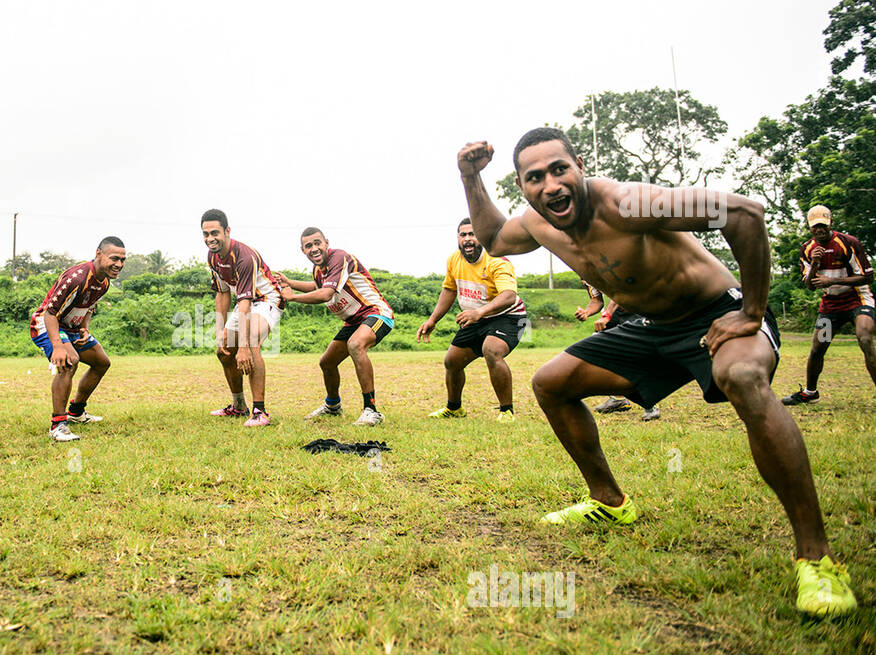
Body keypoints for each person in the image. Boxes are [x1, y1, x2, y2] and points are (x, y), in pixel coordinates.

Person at [456, 127, 855, 616]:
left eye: (560, 169)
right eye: (535, 177)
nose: (551, 185)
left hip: (715, 314)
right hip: (651, 327)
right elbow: (495, 236)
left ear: (579, 166)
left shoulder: (629, 203)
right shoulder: (539, 223)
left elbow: (743, 213)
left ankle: (818, 559)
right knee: (551, 383)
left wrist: (751, 311)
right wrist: (470, 176)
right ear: (522, 187)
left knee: (744, 379)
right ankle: (609, 502)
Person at [276, 228, 394, 426]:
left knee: (356, 344)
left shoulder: (339, 257)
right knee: (327, 363)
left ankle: (371, 410)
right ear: (302, 250)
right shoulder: (319, 270)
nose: (314, 248)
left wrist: (292, 297)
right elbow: (316, 286)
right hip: (354, 321)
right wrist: (290, 282)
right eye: (308, 246)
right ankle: (332, 406)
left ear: (326, 243)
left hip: (376, 313)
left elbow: (325, 294)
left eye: (317, 243)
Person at [416, 218, 526, 421]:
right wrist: (433, 320)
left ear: (482, 236)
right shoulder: (453, 260)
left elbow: (509, 295)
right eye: (463, 234)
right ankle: (454, 409)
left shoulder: (497, 260)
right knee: (452, 362)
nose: (467, 239)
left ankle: (506, 411)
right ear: (458, 238)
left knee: (491, 350)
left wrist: (480, 312)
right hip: (477, 318)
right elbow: (449, 290)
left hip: (510, 316)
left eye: (472, 234)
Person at [28, 237, 126, 441]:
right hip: (48, 323)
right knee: (69, 361)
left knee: (102, 363)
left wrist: (84, 329)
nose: (119, 264)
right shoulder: (77, 278)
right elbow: (50, 314)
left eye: (123, 260)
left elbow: (89, 307)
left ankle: (76, 412)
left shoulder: (105, 281)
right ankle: (58, 425)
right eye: (114, 258)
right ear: (99, 254)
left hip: (71, 327)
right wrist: (58, 347)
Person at [780, 205, 875, 405]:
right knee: (817, 348)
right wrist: (814, 264)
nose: (820, 230)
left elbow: (867, 277)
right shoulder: (807, 249)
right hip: (831, 307)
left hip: (857, 300)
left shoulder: (848, 242)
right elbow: (809, 286)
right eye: (815, 227)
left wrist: (832, 282)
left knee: (865, 338)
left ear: (830, 223)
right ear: (810, 227)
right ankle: (810, 392)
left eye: (823, 225)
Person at [202, 209, 284, 427]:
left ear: (227, 231)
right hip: (244, 302)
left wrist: (245, 345)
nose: (210, 239)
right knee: (224, 352)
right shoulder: (213, 257)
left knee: (251, 343)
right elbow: (222, 292)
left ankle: (260, 412)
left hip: (266, 299)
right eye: (206, 234)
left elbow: (247, 301)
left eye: (215, 233)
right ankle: (239, 407)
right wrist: (221, 331)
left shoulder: (244, 256)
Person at [577, 282, 660, 421]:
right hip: (613, 313)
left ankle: (650, 403)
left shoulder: (604, 262)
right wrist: (587, 312)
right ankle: (618, 398)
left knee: (635, 358)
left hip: (636, 309)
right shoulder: (584, 274)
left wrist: (607, 315)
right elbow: (596, 300)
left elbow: (622, 290)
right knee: (601, 354)